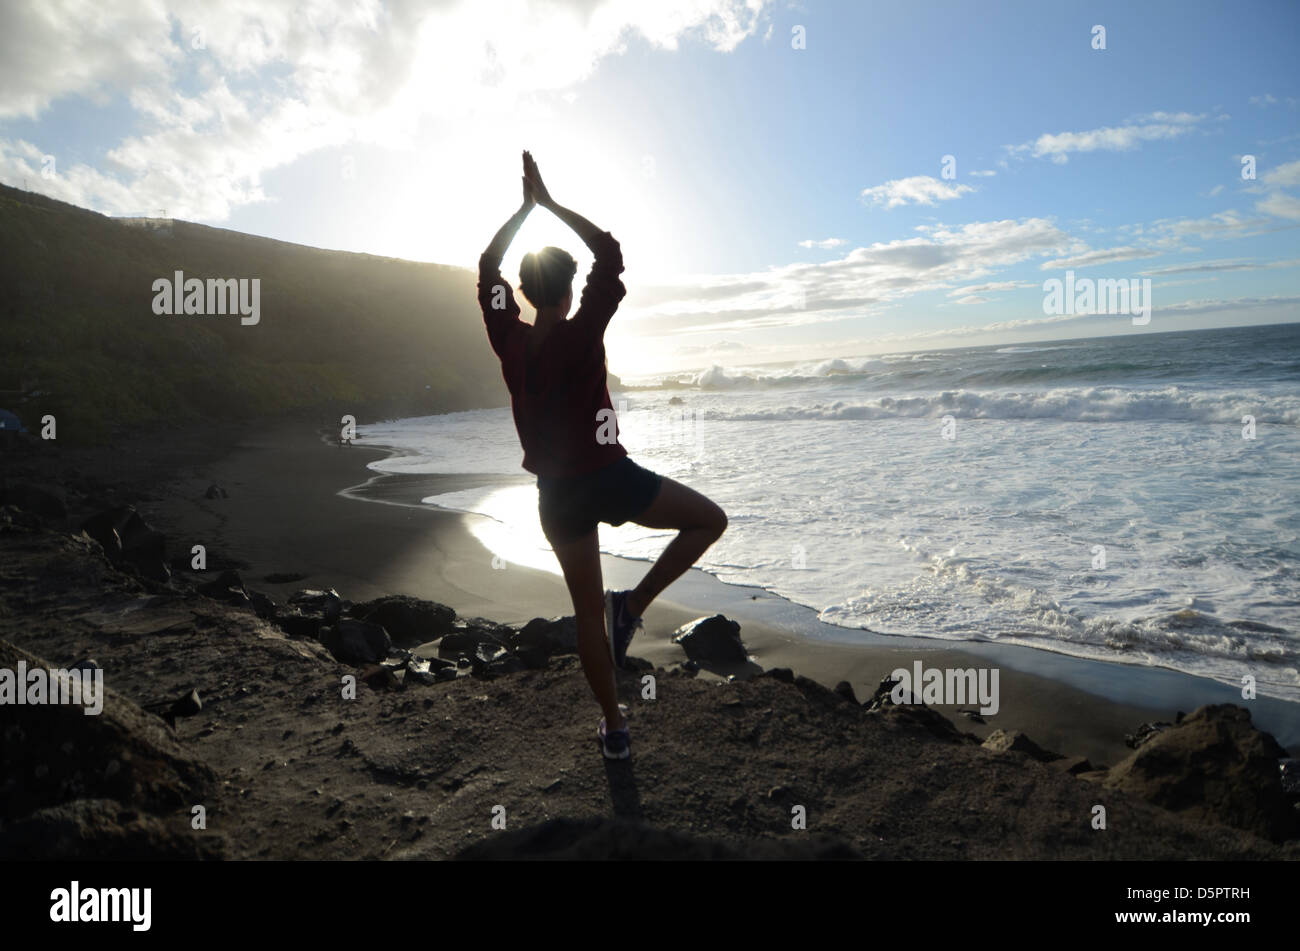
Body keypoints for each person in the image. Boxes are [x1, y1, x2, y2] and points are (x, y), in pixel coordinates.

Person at [477, 150, 727, 759]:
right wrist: (551, 204)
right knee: (709, 521)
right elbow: (609, 253)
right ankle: (635, 605)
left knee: (586, 616)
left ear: (527, 292)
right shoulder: (584, 330)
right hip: (612, 478)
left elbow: (488, 268)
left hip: (556, 496)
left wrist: (522, 212)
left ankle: (615, 727)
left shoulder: (510, 340)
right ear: (567, 288)